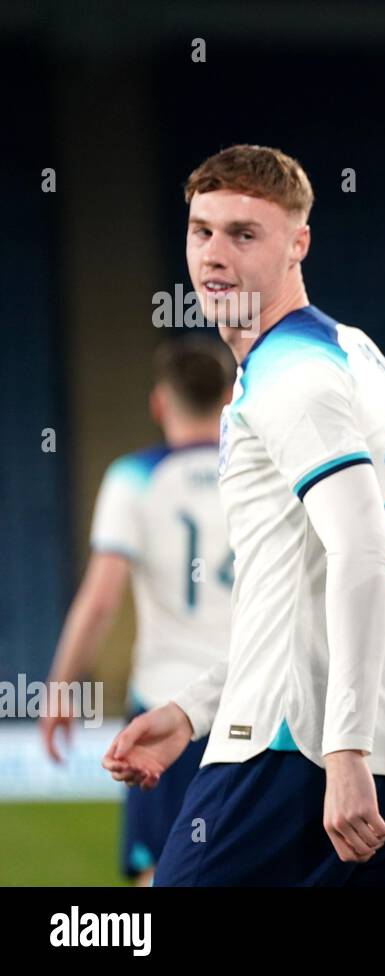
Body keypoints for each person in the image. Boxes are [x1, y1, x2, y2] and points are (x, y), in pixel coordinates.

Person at [103, 144, 385, 886]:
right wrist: (196, 709)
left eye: (244, 233)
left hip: (300, 754)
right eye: (202, 230)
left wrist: (346, 748)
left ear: (298, 243)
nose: (214, 255)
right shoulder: (359, 358)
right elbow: (308, 589)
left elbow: (362, 551)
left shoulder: (288, 376)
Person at [43, 340, 234, 885]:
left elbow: (100, 599)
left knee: (158, 872)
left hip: (165, 705)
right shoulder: (260, 475)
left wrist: (61, 687)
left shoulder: (133, 478)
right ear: (228, 398)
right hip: (253, 705)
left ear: (158, 404)